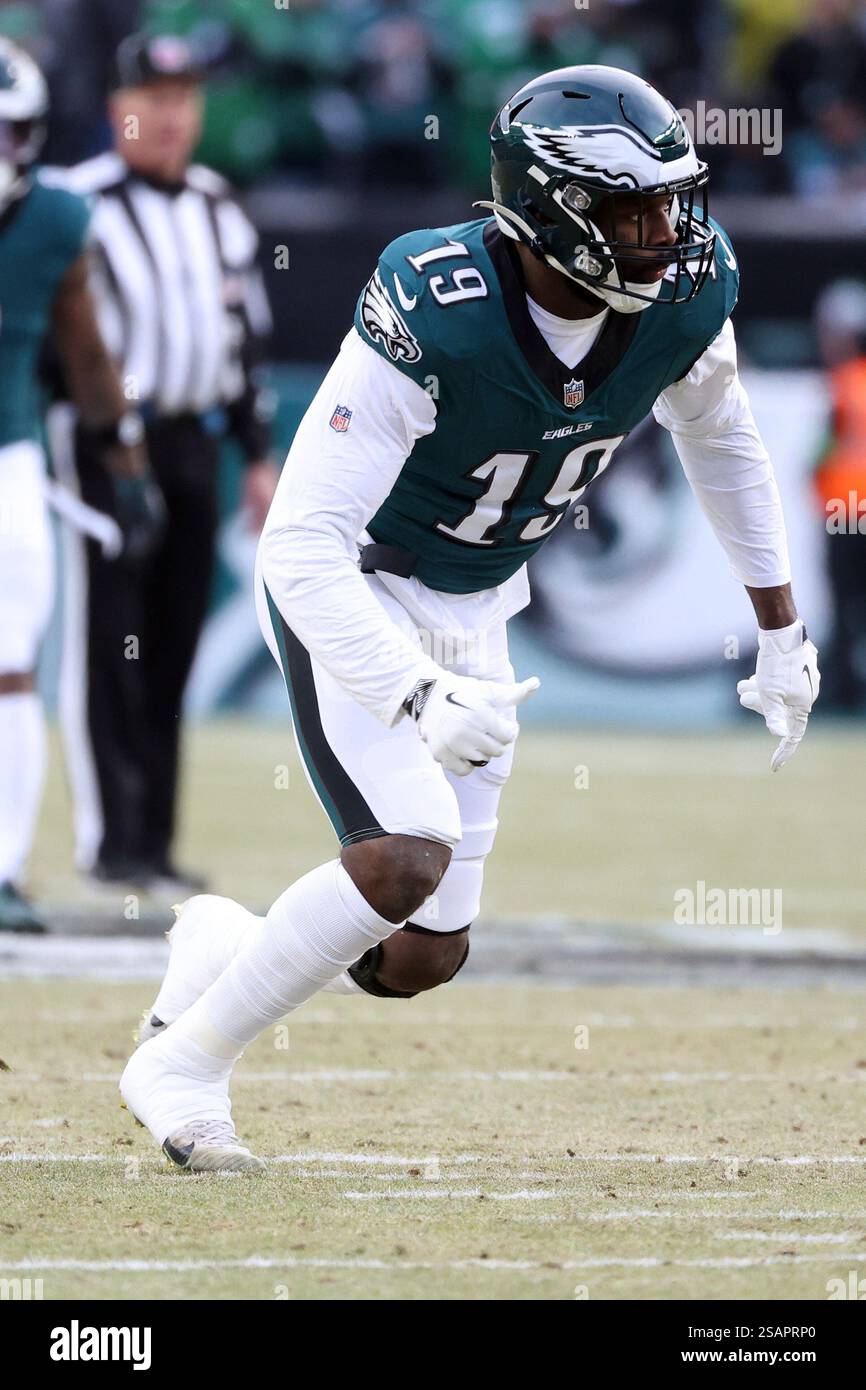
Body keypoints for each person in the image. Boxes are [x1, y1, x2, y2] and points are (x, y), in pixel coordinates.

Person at [121, 65, 820, 1171]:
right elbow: (300, 546)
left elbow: (719, 433)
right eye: (632, 212)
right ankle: (182, 1066)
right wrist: (411, 686)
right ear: (550, 213)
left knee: (420, 954)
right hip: (356, 588)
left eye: (669, 204)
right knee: (404, 854)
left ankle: (220, 944)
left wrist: (778, 622)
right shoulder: (437, 307)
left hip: (480, 602)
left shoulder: (683, 293)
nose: (665, 235)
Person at [57, 33, 276, 898]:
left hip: (194, 441)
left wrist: (256, 456)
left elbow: (246, 337)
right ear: (120, 110)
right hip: (108, 444)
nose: (175, 114)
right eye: (157, 95)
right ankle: (110, 839)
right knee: (113, 642)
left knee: (175, 643)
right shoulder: (79, 204)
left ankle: (155, 839)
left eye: (187, 97)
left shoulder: (221, 205)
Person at [0, 38, 156, 933]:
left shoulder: (56, 220)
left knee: (11, 664)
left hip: (9, 457)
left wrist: (124, 461)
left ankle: (4, 868)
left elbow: (88, 350)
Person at [813, 279, 866, 709]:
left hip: (844, 510)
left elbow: (824, 452)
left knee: (843, 600)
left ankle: (844, 690)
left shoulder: (843, 383)